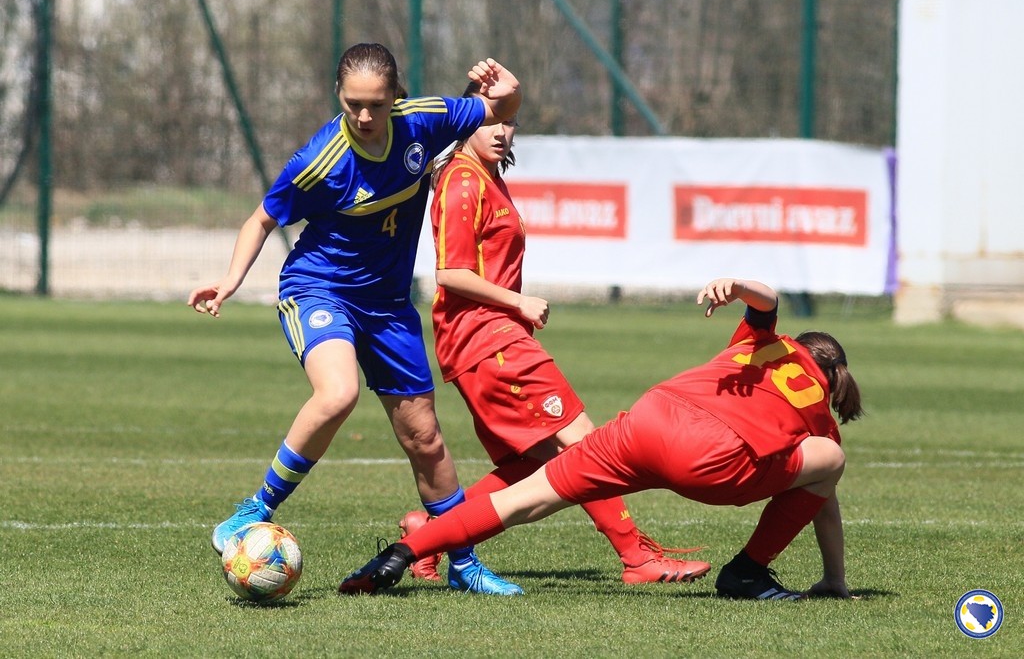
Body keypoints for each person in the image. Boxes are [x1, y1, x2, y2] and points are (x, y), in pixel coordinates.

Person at [187, 42, 524, 595]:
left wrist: (509, 92)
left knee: (425, 437)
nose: (364, 117)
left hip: (389, 306)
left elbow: (500, 112)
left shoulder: (425, 122)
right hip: (318, 290)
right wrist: (230, 281)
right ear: (338, 97)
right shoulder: (322, 159)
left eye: (375, 104)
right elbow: (261, 219)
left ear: (396, 96)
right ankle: (251, 511)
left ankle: (464, 561)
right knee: (338, 393)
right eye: (352, 105)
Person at [340, 277, 863, 600]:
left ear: (797, 343)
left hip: (648, 419)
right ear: (834, 375)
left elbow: (766, 297)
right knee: (829, 459)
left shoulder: (766, 340)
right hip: (712, 460)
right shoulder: (817, 404)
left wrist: (738, 285)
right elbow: (824, 505)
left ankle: (402, 553)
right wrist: (835, 578)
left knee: (523, 499)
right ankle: (748, 573)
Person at [395, 86, 708, 587]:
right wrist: (518, 302)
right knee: (587, 448)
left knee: (534, 469)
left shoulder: (488, 176)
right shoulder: (461, 180)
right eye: (488, 120)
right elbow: (449, 273)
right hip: (487, 340)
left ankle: (430, 534)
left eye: (509, 121)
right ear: (462, 123)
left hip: (491, 338)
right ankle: (637, 559)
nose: (500, 130)